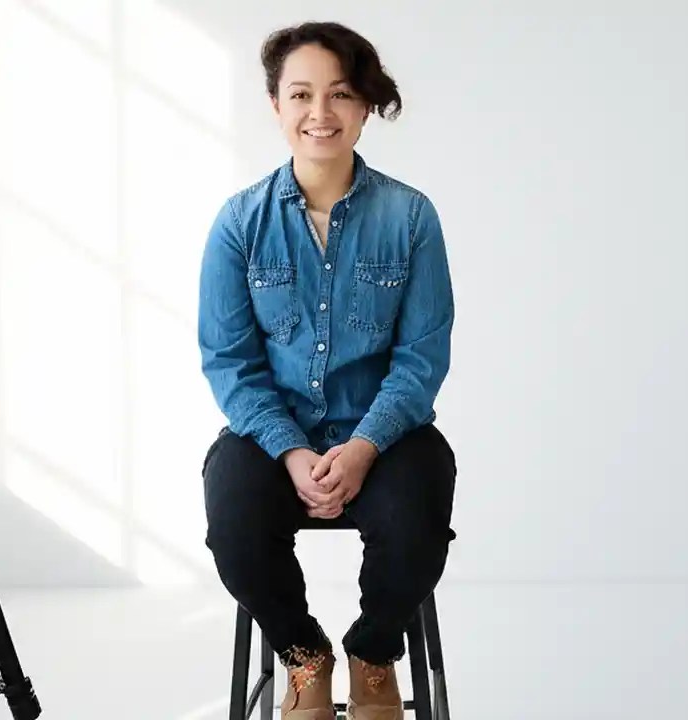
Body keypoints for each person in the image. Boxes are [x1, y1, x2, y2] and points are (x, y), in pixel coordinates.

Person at [198, 21, 457, 720]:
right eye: (302, 94)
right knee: (234, 525)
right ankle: (303, 656)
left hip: (389, 432)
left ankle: (374, 655)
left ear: (365, 105)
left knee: (418, 517)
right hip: (270, 434)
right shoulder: (238, 223)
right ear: (276, 107)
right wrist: (289, 452)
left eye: (340, 94)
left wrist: (366, 447)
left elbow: (422, 357)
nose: (321, 113)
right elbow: (230, 362)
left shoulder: (410, 217)